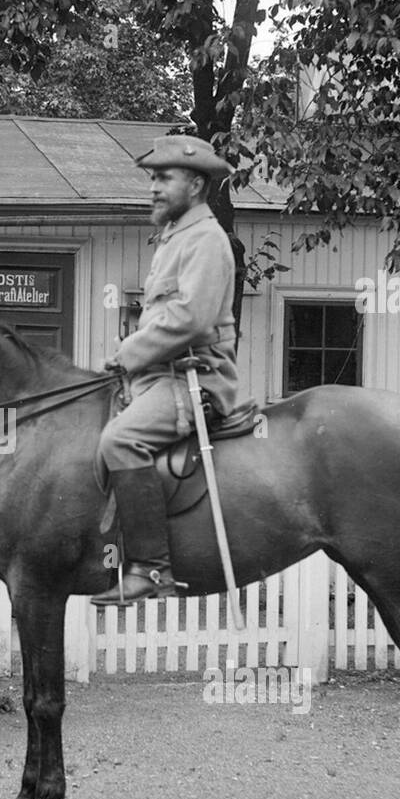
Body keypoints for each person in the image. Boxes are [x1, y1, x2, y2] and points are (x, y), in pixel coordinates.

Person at [90, 135, 240, 606]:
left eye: (162, 178)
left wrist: (127, 353)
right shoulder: (175, 237)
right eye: (152, 178)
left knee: (119, 440)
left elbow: (190, 318)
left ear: (195, 185)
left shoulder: (207, 240)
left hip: (193, 379)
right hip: (158, 377)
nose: (153, 187)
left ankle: (152, 571)